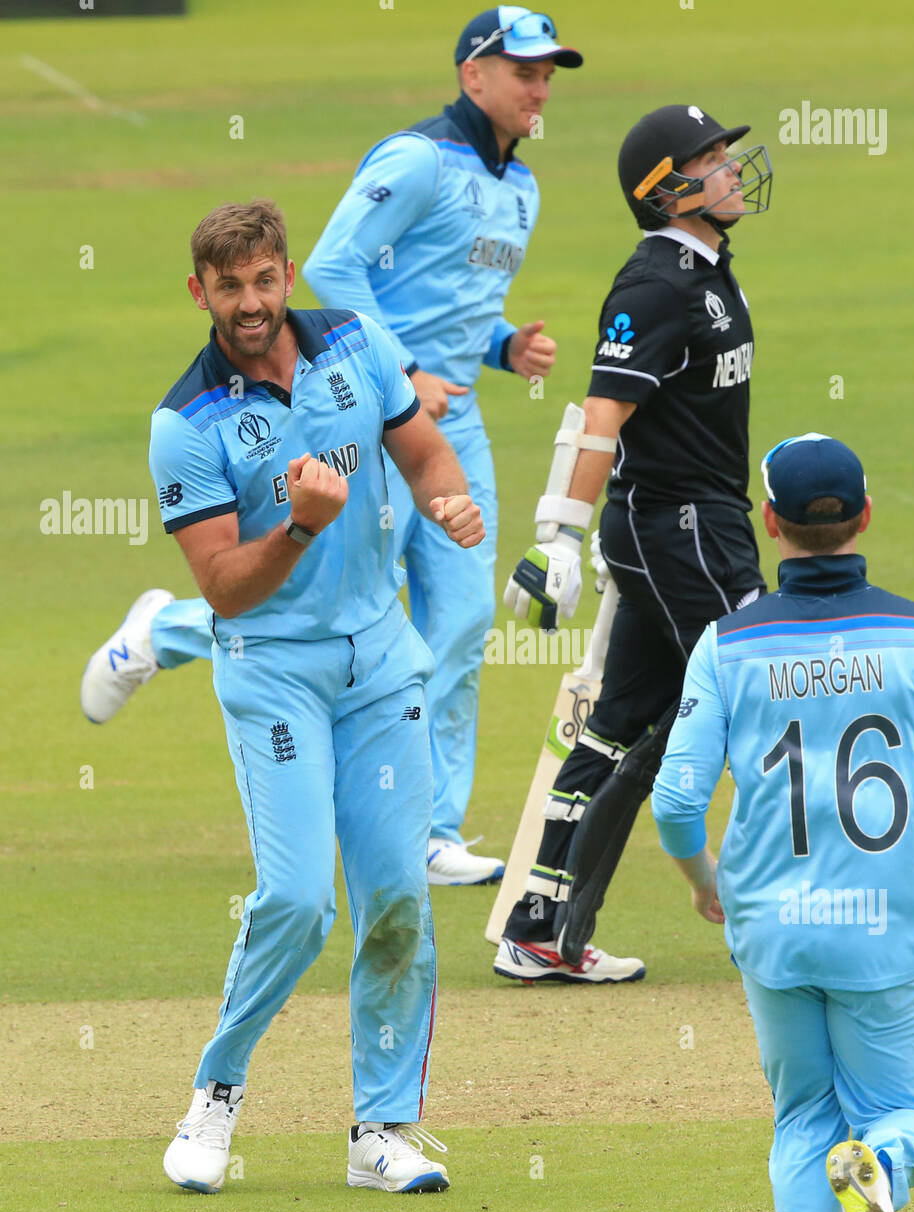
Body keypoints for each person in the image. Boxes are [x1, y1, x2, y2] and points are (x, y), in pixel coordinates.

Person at [80, 7, 580, 886]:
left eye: (548, 75)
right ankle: (166, 627)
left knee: (460, 620)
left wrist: (502, 346)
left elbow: (450, 291)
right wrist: (409, 367)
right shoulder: (417, 160)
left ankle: (433, 830)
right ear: (474, 76)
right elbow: (337, 266)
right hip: (365, 401)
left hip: (443, 419)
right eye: (525, 72)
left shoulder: (524, 187)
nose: (541, 89)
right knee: (346, 598)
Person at [154, 199, 485, 1195]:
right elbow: (221, 587)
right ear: (199, 292)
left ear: (286, 275)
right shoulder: (186, 422)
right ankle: (215, 1096)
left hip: (380, 663)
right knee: (298, 902)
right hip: (273, 668)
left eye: (263, 280)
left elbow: (420, 447)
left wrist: (448, 496)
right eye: (229, 287)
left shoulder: (354, 342)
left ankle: (380, 1130)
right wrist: (298, 529)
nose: (249, 303)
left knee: (395, 899)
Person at [651, 432, 914, 1212]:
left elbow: (676, 803)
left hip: (774, 933)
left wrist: (707, 885)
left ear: (770, 524)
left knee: (802, 1120)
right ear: (866, 516)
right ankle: (880, 1164)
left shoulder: (725, 645)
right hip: (887, 935)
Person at [494, 104, 773, 982]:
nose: (732, 169)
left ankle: (542, 925)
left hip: (698, 521)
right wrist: (561, 539)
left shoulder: (709, 269)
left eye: (728, 154)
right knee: (769, 687)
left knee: (622, 725)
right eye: (712, 159)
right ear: (666, 189)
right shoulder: (655, 284)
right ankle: (803, 907)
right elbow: (602, 416)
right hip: (678, 526)